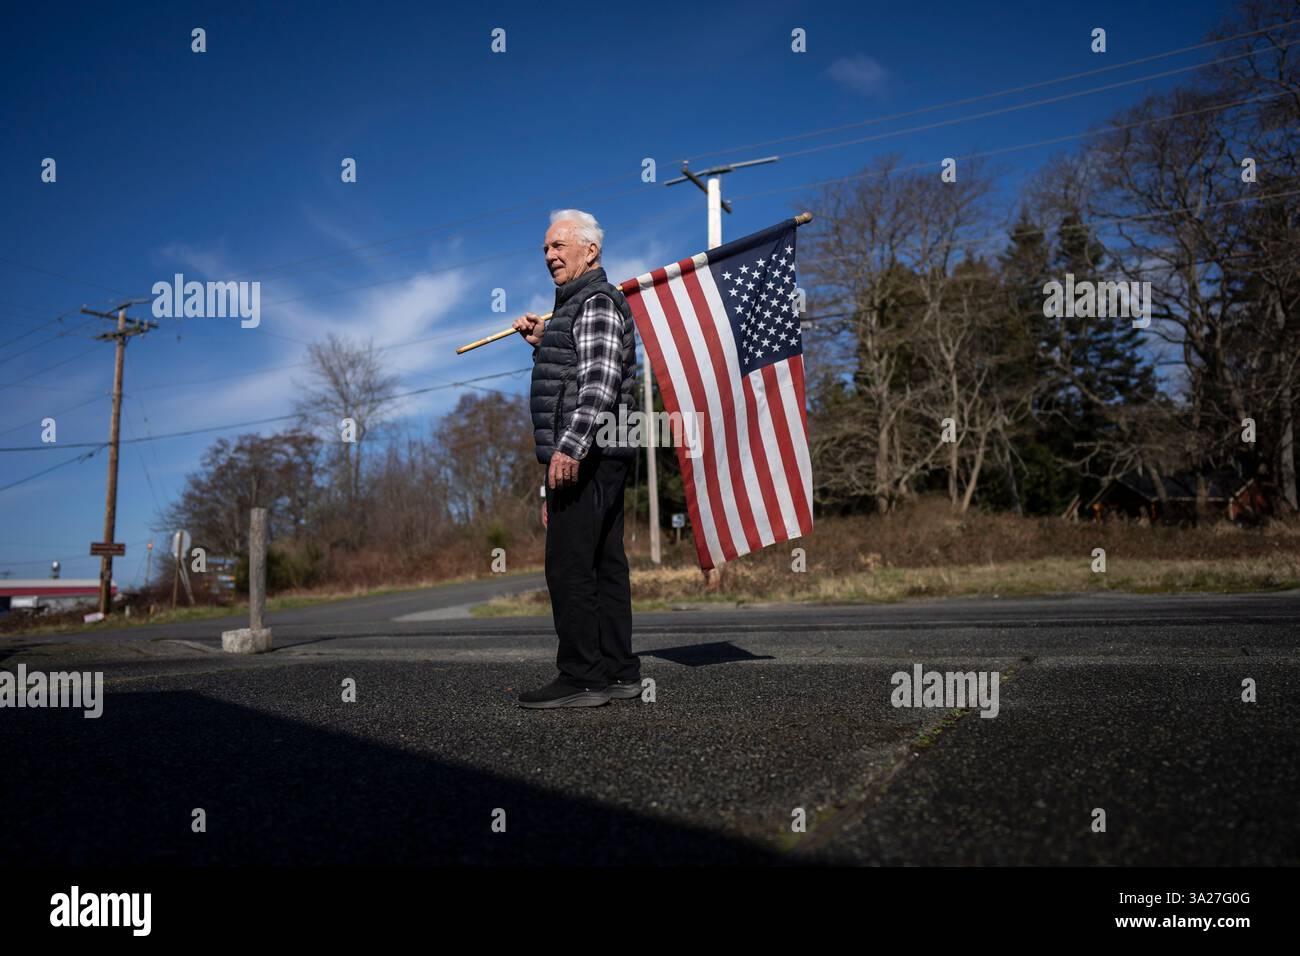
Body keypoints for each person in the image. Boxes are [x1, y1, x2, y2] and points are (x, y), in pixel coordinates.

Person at [511, 209, 640, 708]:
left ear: (590, 251)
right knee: (604, 562)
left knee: (569, 566)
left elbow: (602, 380)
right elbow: (576, 368)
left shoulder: (598, 300)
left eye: (559, 245)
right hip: (602, 448)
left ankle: (583, 676)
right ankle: (618, 671)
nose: (549, 255)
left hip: (589, 450)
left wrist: (569, 446)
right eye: (545, 248)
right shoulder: (574, 308)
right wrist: (543, 344)